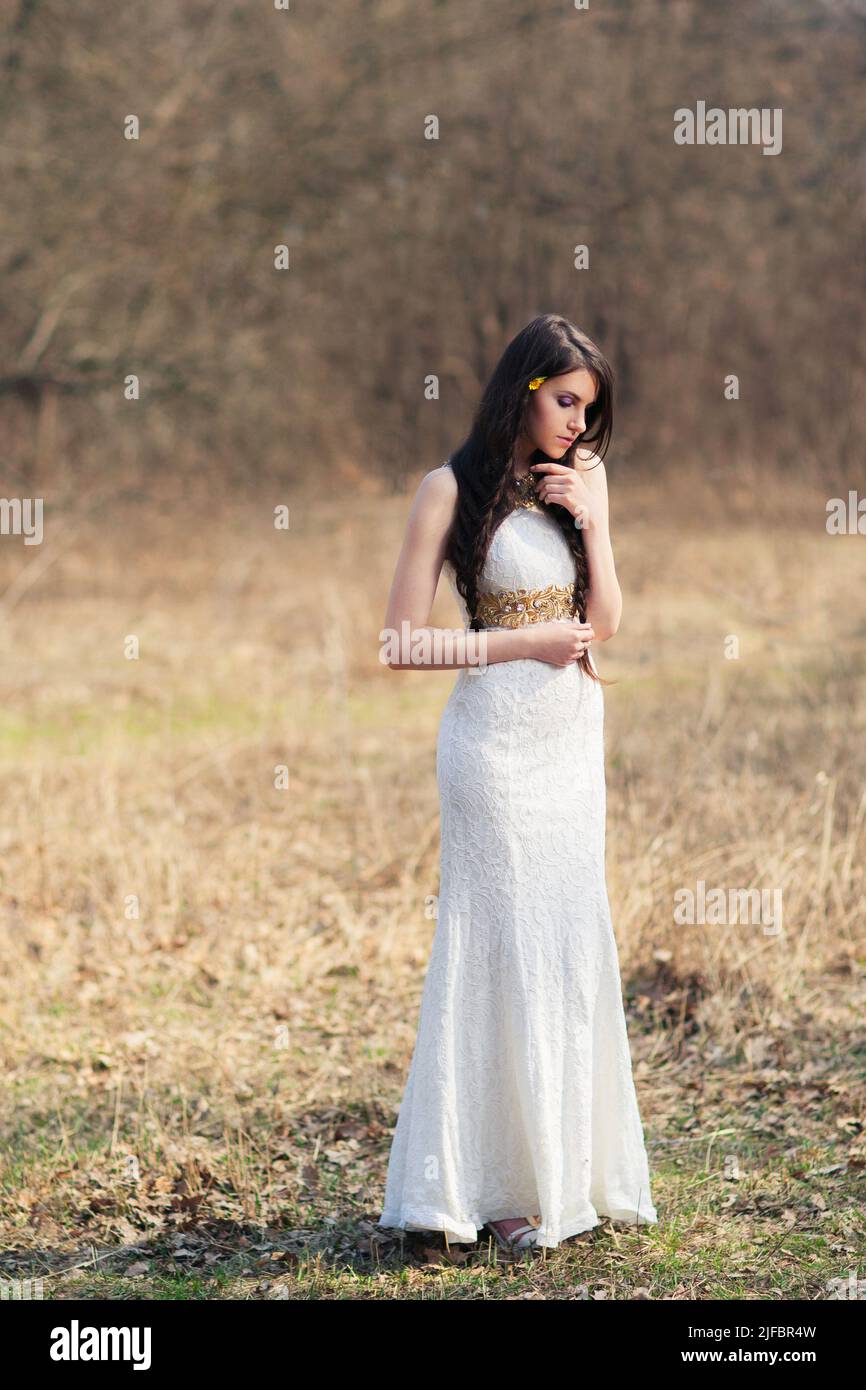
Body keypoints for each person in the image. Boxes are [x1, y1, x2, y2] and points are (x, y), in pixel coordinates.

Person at [377, 313, 658, 1253]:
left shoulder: (588, 482)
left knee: (566, 935)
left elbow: (606, 620)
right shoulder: (447, 489)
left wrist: (591, 519)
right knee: (497, 943)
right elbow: (400, 643)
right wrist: (518, 645)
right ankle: (485, 1187)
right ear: (525, 390)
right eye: (566, 400)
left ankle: (561, 1175)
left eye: (591, 407)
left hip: (572, 739)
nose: (580, 422)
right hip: (493, 747)